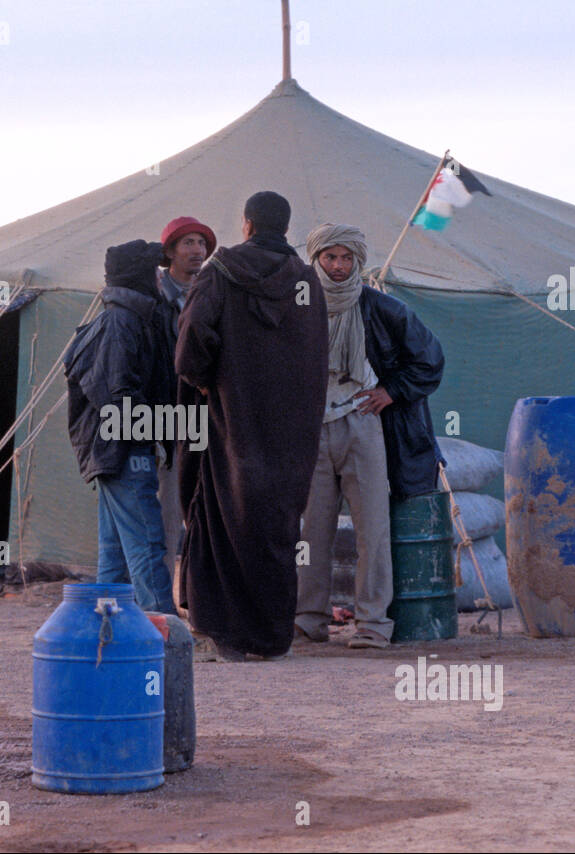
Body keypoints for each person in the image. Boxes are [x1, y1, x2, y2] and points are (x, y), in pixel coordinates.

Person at [175, 192, 328, 660]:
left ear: (246, 225)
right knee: (279, 527)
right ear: (285, 227)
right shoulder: (306, 280)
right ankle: (271, 636)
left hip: (230, 424)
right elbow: (315, 353)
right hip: (292, 431)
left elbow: (191, 346)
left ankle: (228, 632)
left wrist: (204, 383)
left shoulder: (218, 273)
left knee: (225, 521)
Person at [295, 223, 446, 649]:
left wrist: (391, 391)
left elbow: (429, 359)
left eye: (346, 258)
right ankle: (309, 620)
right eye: (330, 257)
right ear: (315, 259)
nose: (338, 266)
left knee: (373, 530)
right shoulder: (298, 307)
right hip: (312, 428)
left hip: (362, 424)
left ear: (358, 260)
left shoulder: (383, 308)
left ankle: (373, 623)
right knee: (312, 532)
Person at [64, 239, 178, 613]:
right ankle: (165, 632)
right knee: (146, 542)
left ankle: (110, 632)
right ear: (141, 276)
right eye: (155, 271)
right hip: (124, 450)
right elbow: (116, 394)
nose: (162, 277)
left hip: (116, 450)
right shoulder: (121, 322)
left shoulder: (131, 318)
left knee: (114, 554)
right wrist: (160, 432)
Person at [155, 216, 216, 604]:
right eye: (188, 243)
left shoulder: (212, 291)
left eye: (201, 243)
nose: (196, 250)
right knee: (165, 513)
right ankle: (161, 601)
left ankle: (196, 595)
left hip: (204, 414)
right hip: (163, 415)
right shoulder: (152, 295)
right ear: (170, 251)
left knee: (202, 507)